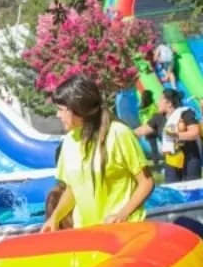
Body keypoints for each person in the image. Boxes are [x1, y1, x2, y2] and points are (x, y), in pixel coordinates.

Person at [43, 76, 153, 230]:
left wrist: (122, 214)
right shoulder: (69, 142)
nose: (57, 115)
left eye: (61, 110)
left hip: (123, 231)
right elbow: (73, 188)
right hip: (86, 232)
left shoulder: (118, 134)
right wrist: (55, 218)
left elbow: (146, 182)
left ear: (79, 109)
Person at [137, 88, 201, 182]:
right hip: (171, 159)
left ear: (169, 103)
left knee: (193, 188)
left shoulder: (185, 113)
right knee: (172, 188)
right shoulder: (158, 117)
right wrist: (123, 132)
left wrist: (174, 136)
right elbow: (142, 130)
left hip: (189, 158)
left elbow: (195, 132)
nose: (157, 103)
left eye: (160, 100)